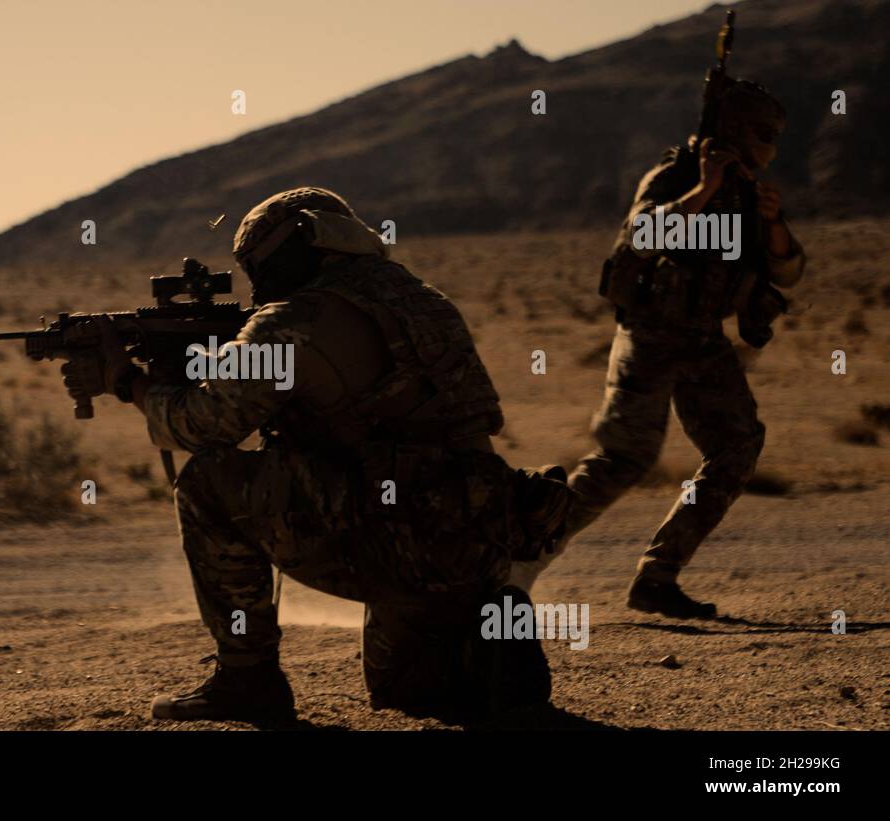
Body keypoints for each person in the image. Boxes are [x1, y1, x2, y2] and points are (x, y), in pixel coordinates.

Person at [62, 187, 570, 721]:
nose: (255, 283)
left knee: (207, 482)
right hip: (478, 537)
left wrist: (124, 381)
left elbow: (202, 425)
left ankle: (246, 677)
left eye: (257, 264)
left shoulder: (295, 319)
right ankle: (486, 630)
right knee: (405, 693)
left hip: (396, 538)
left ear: (300, 246)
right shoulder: (424, 300)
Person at [509, 80, 805, 619]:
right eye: (764, 135)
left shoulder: (748, 195)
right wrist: (703, 190)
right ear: (736, 131)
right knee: (622, 459)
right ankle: (513, 571)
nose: (772, 149)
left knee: (737, 446)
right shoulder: (673, 177)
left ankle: (658, 574)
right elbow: (641, 237)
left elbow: (788, 270)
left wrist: (773, 222)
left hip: (702, 341)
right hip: (650, 335)